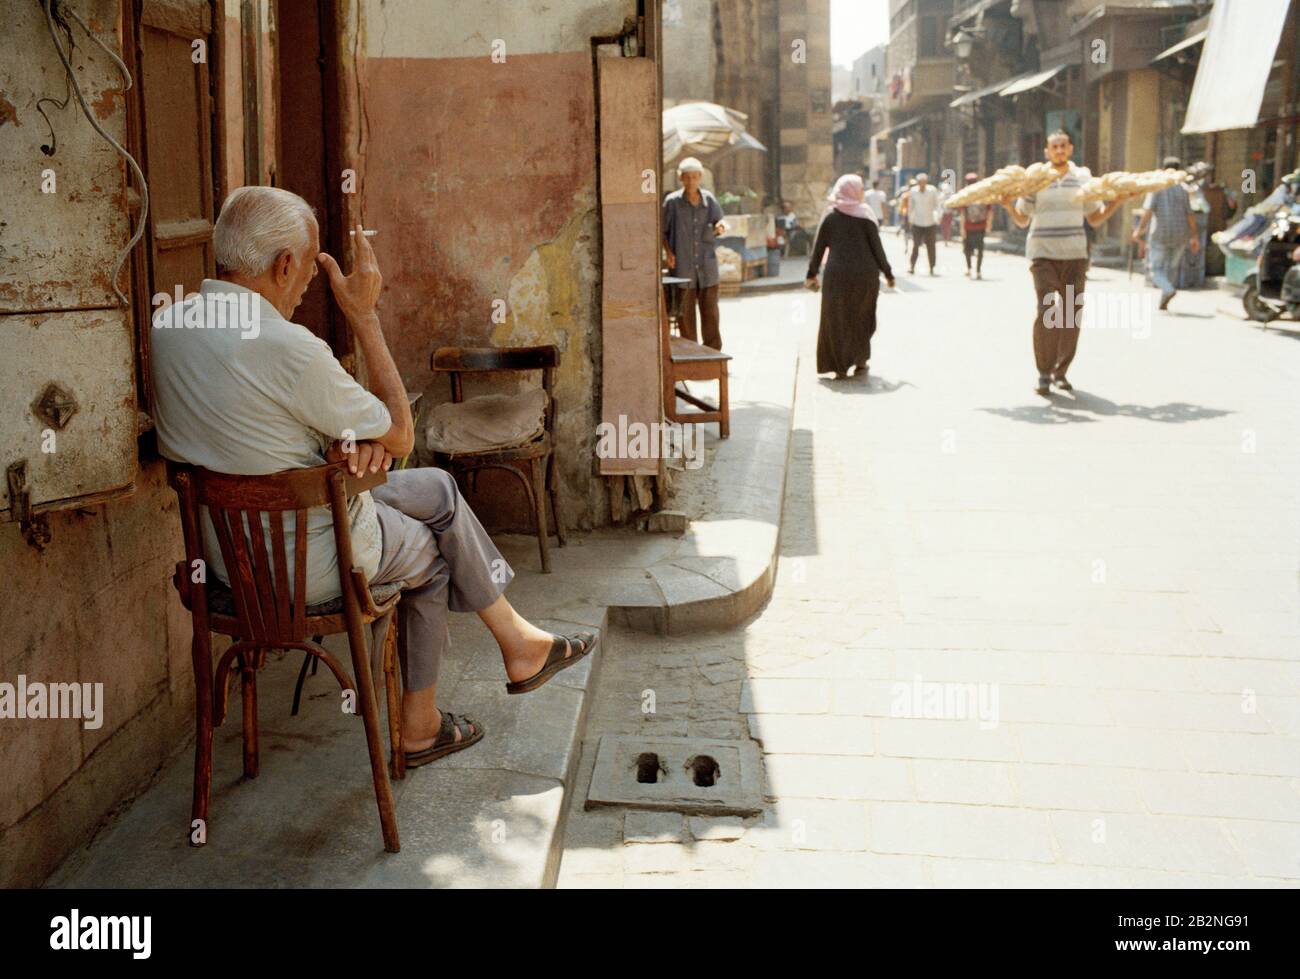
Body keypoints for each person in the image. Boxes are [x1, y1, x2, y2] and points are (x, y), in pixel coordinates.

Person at [150, 187, 596, 767]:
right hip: (307, 566)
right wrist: (364, 315)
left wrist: (347, 446)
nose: (311, 279)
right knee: (434, 556)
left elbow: (256, 420)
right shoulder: (291, 347)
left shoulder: (168, 326)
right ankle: (420, 726)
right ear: (285, 264)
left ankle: (520, 642)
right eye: (310, 265)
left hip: (225, 558)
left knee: (438, 490)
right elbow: (402, 436)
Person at [1000, 130, 1135, 396]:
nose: (1059, 150)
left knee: (1070, 315)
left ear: (1071, 149)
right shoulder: (1035, 179)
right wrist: (1007, 206)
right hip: (1043, 255)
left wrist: (1117, 201)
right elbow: (1022, 219)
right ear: (1047, 152)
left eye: (1063, 146)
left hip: (1075, 256)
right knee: (1048, 309)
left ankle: (1060, 371)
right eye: (1054, 147)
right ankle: (1043, 372)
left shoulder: (1083, 178)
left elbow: (1094, 218)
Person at [804, 174, 896, 380]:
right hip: (865, 277)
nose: (863, 192)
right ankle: (860, 359)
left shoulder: (830, 217)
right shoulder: (867, 216)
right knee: (862, 318)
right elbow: (877, 249)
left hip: (837, 277)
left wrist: (811, 274)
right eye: (861, 188)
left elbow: (818, 249)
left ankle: (839, 365)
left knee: (836, 319)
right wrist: (888, 274)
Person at [662, 156, 727, 350]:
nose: (691, 181)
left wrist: (721, 226)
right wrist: (669, 253)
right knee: (686, 314)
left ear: (700, 177)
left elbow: (719, 221)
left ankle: (713, 352)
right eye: (686, 177)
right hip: (683, 265)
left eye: (694, 177)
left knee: (711, 312)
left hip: (707, 267)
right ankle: (690, 352)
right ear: (681, 179)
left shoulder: (709, 200)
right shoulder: (672, 202)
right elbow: (662, 231)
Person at [1132, 156, 1200, 310]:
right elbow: (1190, 215)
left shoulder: (1157, 187)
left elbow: (1148, 211)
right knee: (1172, 268)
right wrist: (1194, 236)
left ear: (1163, 170)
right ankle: (1165, 299)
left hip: (1160, 234)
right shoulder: (1184, 189)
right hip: (1180, 234)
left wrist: (1139, 229)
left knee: (1155, 268)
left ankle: (1168, 290)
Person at [906, 172, 941, 275]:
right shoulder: (913, 191)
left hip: (930, 222)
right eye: (920, 182)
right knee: (915, 245)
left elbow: (937, 205)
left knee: (931, 246)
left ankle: (932, 267)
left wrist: (937, 217)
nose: (922, 184)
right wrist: (910, 220)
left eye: (923, 182)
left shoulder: (932, 190)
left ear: (926, 182)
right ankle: (912, 266)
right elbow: (910, 207)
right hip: (917, 222)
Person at [959, 172, 988, 279]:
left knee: (967, 249)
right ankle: (978, 271)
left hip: (968, 227)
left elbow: (962, 213)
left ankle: (969, 268)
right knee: (980, 249)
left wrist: (962, 229)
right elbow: (989, 210)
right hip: (981, 226)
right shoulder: (983, 193)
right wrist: (988, 225)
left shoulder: (965, 195)